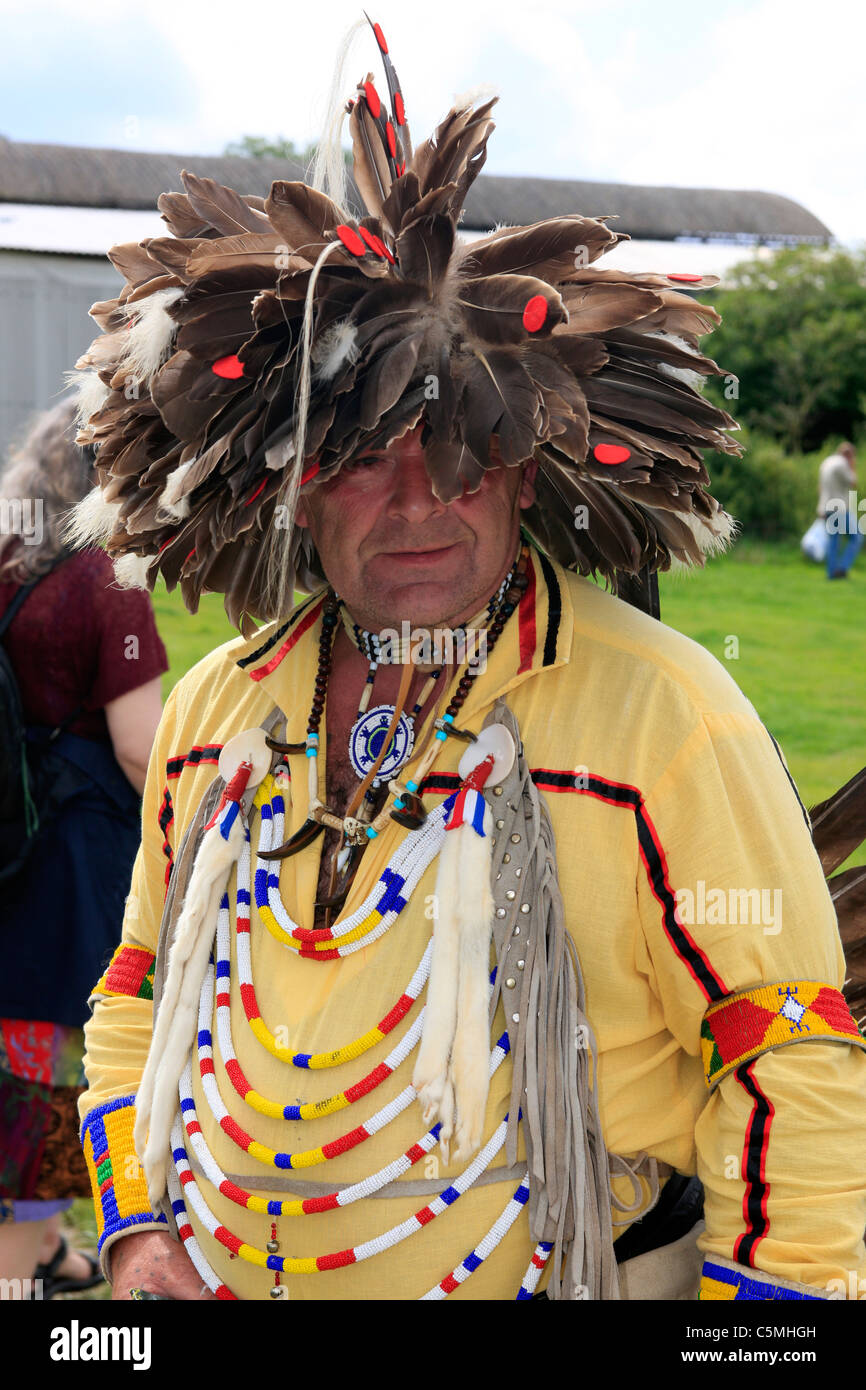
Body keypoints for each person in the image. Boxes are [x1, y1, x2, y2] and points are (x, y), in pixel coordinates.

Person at [69, 17, 866, 1301]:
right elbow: (138, 991)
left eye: (459, 454)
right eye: (362, 458)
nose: (418, 503)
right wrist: (138, 1223)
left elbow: (786, 1057)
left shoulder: (659, 711)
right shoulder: (222, 711)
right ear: (294, 493)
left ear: (522, 471)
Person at [0, 399, 168, 1296]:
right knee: (55, 1068)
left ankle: (45, 1251)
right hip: (68, 858)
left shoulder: (4, 555)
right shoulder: (109, 578)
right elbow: (141, 747)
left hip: (6, 840)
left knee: (15, 1050)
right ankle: (16, 1264)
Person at [818, 441, 862, 578]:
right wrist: (852, 465)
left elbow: (820, 487)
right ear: (849, 455)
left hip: (826, 507)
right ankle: (842, 568)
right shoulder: (843, 464)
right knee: (857, 537)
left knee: (834, 541)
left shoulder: (827, 462)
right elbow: (853, 482)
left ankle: (831, 574)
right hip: (840, 508)